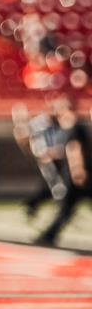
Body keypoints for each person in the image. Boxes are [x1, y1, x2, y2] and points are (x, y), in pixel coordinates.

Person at [35, 98, 89, 247]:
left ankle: (49, 235)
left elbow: (74, 149)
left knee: (66, 207)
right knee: (66, 207)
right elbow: (70, 149)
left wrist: (77, 169)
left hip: (77, 174)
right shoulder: (71, 128)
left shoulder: (75, 127)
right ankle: (49, 235)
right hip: (75, 174)